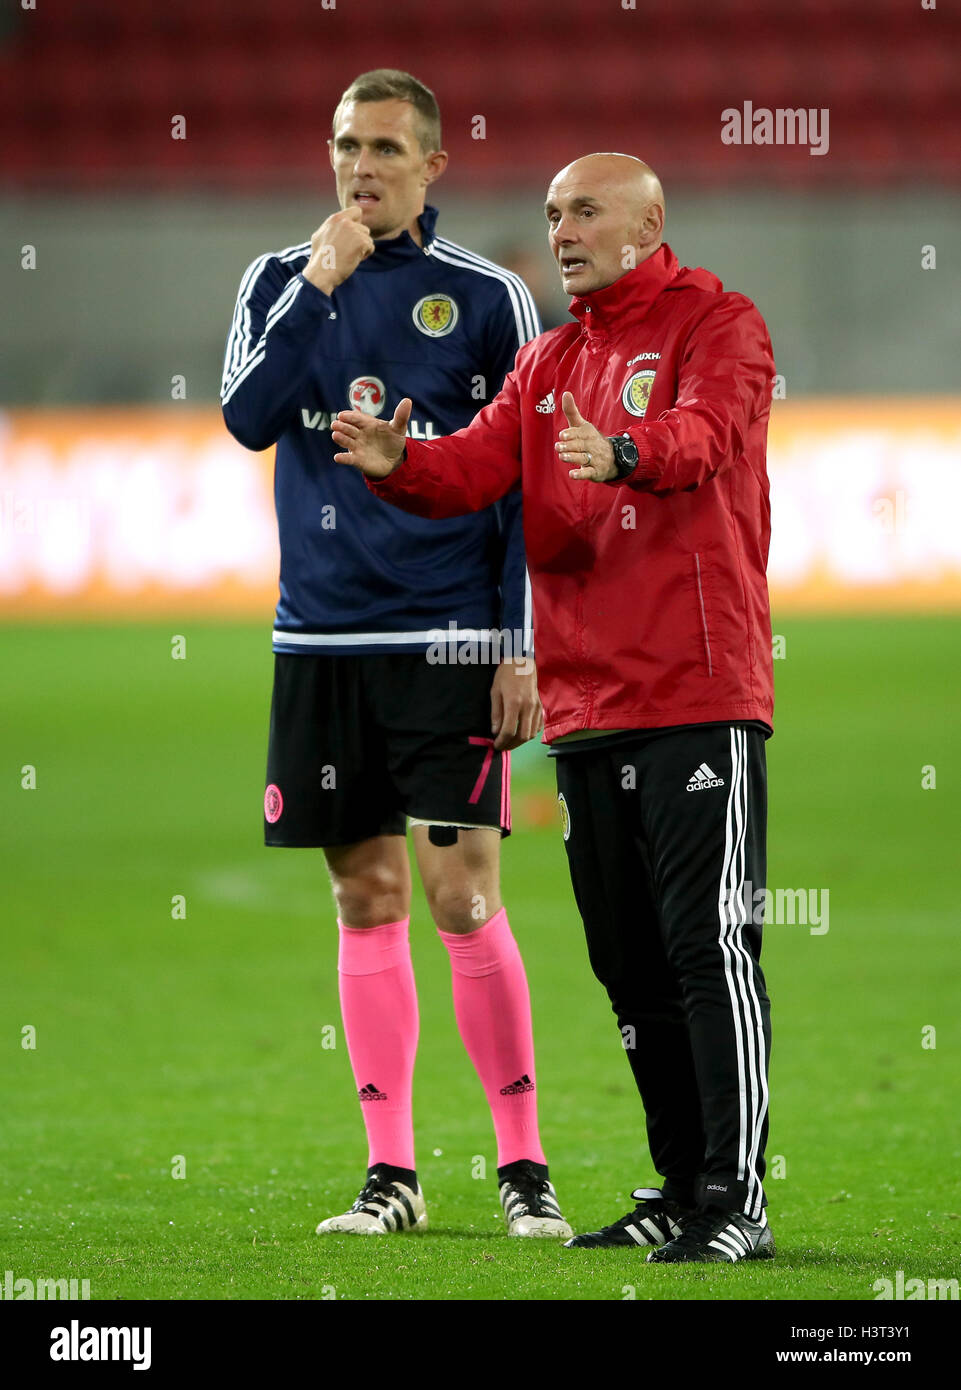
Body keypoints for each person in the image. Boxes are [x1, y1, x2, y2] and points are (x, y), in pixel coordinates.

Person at [330, 152, 778, 1264]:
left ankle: (738, 1197)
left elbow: (707, 436)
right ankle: (678, 1183)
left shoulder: (717, 322)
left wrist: (624, 450)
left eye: (584, 210)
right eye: (550, 213)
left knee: (707, 946)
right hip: (590, 705)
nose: (562, 228)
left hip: (694, 690)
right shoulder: (545, 361)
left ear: (648, 220)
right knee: (627, 960)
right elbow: (474, 471)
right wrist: (398, 462)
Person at [221, 69, 572, 1240]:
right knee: (362, 894)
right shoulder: (280, 280)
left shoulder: (487, 299)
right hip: (320, 637)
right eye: (342, 145)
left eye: (381, 148)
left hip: (449, 638)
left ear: (432, 165)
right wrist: (322, 284)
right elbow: (246, 414)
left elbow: (522, 484)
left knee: (462, 894)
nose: (358, 167)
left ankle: (522, 1166)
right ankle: (392, 1173)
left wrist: (519, 645)